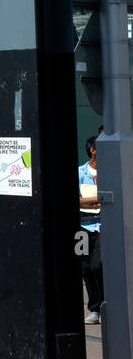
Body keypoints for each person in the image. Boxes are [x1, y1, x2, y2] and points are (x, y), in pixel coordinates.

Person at [78, 136, 103, 323]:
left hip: (103, 226)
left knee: (98, 265)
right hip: (82, 226)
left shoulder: (110, 172)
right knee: (84, 267)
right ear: (93, 151)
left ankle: (102, 306)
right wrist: (94, 201)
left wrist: (94, 200)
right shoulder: (79, 172)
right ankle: (94, 309)